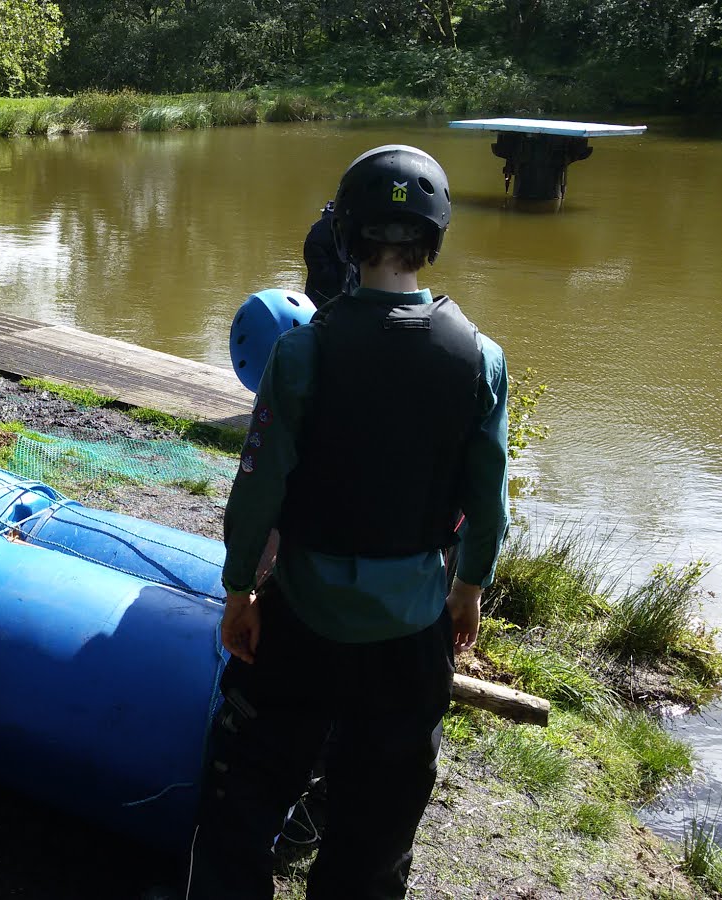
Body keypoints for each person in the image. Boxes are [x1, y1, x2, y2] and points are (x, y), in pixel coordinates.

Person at [184, 145, 510, 900]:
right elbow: (488, 497)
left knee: (240, 807)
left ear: (346, 237)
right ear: (434, 238)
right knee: (376, 834)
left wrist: (240, 590)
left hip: (301, 621)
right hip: (413, 633)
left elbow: (258, 489)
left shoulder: (303, 351)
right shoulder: (481, 359)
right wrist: (468, 587)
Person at [301, 200, 359, 305]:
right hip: (344, 290)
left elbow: (318, 270)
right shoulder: (352, 226)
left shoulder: (316, 231)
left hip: (320, 294)